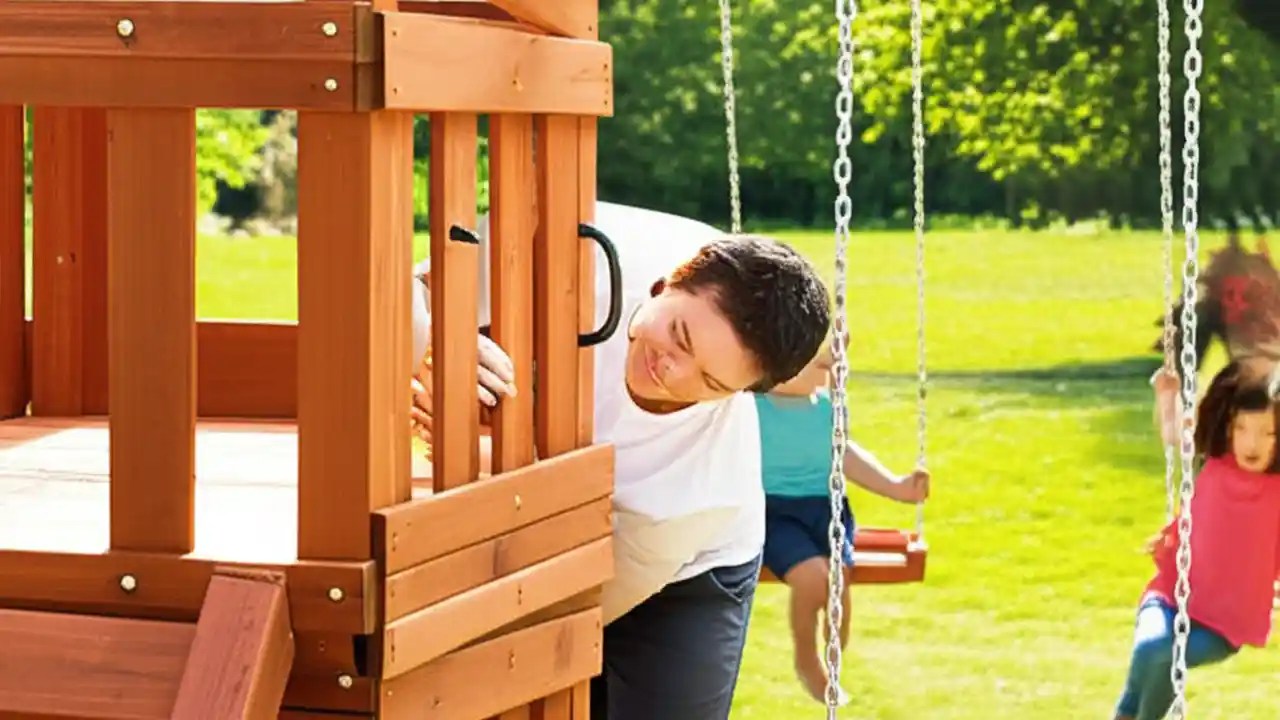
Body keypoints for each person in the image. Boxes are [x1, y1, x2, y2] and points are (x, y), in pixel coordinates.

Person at [410, 201, 831, 720]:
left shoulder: (694, 497)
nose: (672, 373)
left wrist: (492, 468)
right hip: (558, 499)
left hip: (688, 570)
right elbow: (404, 293)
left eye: (711, 382)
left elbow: (575, 610)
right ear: (668, 281)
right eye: (679, 336)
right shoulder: (574, 243)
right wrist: (438, 338)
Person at [755, 341, 930, 703]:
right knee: (811, 577)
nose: (827, 370)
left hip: (827, 510)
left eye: (829, 365)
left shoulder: (825, 409)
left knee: (837, 580)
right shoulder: (752, 407)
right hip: (775, 513)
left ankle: (835, 649)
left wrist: (898, 488)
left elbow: (846, 455)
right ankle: (807, 658)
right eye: (816, 363)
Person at [1112, 358, 1280, 720]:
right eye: (1242, 429)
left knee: (1166, 655)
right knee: (1152, 648)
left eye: (1269, 433)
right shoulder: (1216, 463)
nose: (1253, 443)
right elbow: (1175, 432)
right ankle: (1128, 709)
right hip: (1172, 594)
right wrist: (1167, 394)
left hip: (1224, 627)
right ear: (1228, 427)